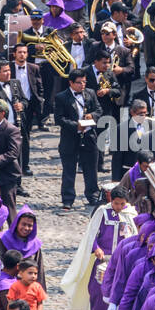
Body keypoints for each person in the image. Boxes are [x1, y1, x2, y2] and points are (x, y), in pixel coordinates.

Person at [60, 184, 137, 310]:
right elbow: (92, 234)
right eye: (116, 203)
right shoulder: (102, 212)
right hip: (102, 259)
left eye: (122, 204)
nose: (119, 207)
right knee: (96, 289)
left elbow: (133, 236)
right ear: (110, 200)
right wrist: (96, 248)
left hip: (120, 261)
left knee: (118, 289)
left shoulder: (130, 215)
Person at [54, 67, 102, 209]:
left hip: (89, 137)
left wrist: (92, 116)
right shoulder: (61, 97)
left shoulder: (90, 93)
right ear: (71, 83)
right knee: (69, 170)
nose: (82, 85)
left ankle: (92, 195)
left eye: (84, 82)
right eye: (79, 83)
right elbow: (59, 119)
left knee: (91, 169)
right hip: (70, 139)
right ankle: (68, 199)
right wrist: (76, 126)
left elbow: (99, 110)